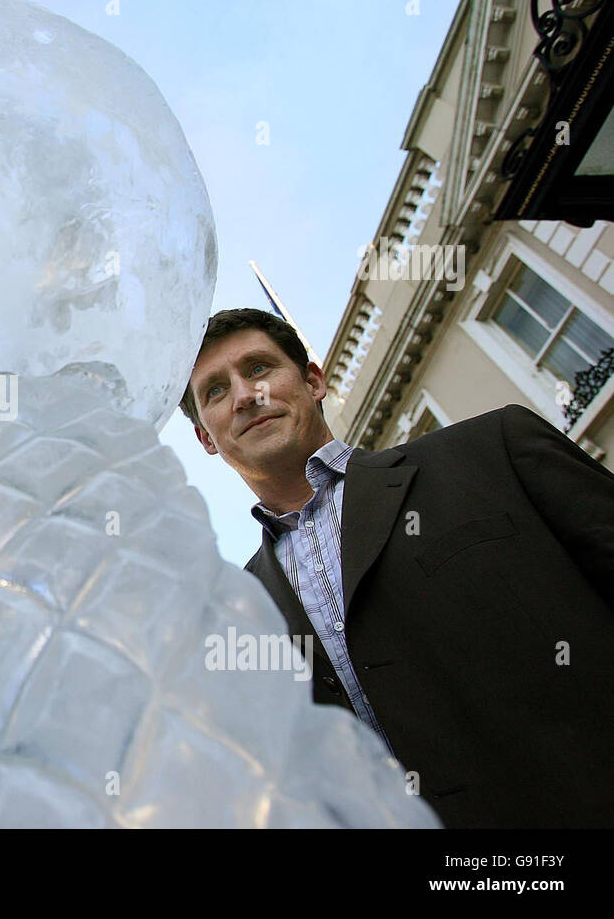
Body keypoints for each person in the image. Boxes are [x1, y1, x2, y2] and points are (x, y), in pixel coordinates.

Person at [181, 307, 614, 828]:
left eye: (257, 369)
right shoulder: (231, 613)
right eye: (216, 391)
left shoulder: (493, 451)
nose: (247, 396)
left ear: (314, 380)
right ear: (207, 438)